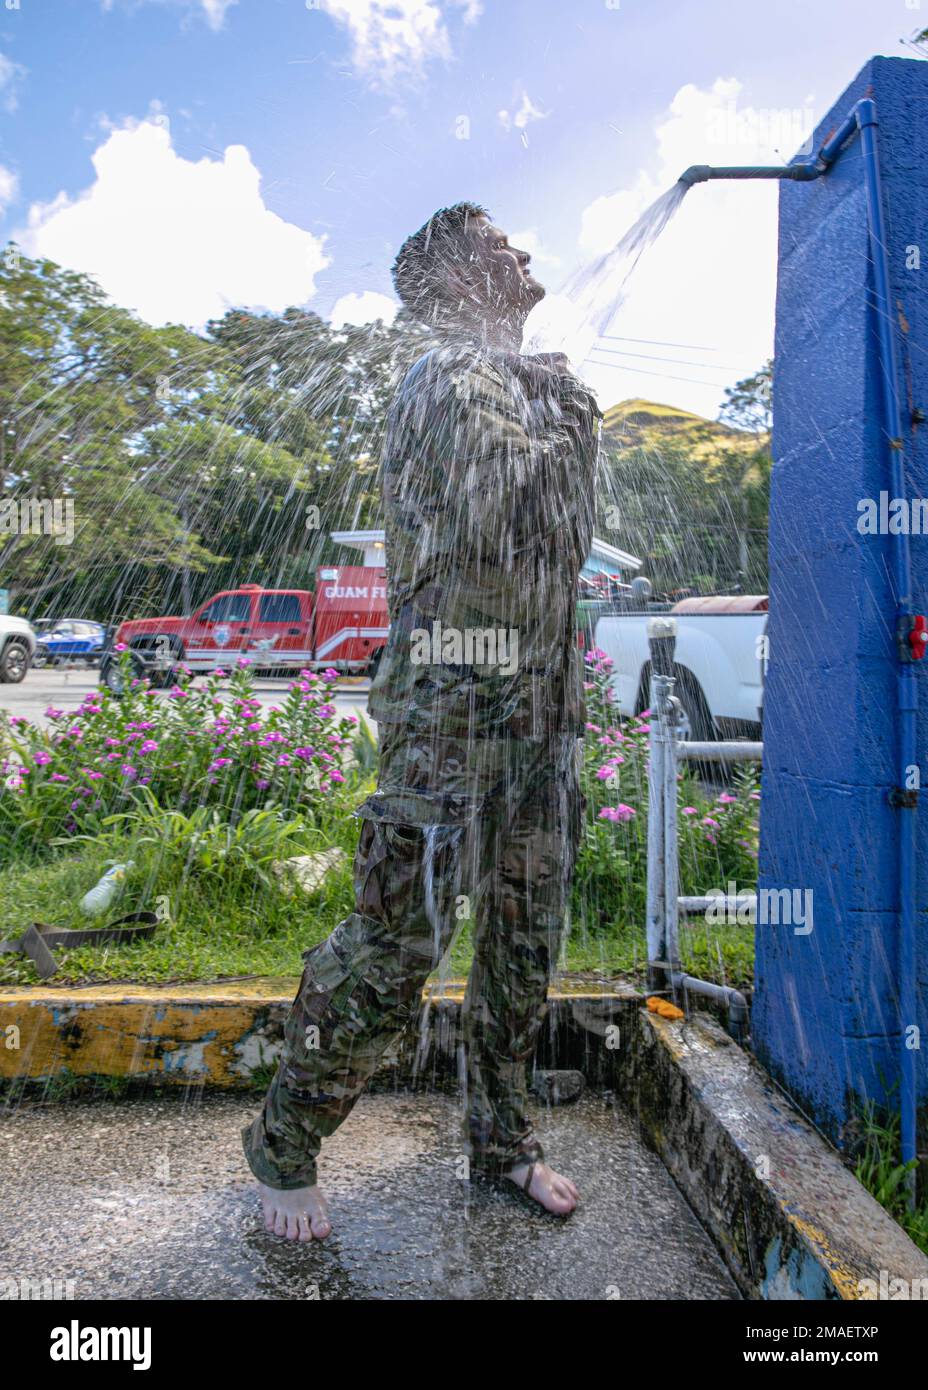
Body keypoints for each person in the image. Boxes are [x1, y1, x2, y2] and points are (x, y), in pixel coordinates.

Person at [242, 202, 602, 1241]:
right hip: (450, 717)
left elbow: (563, 539)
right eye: (502, 243)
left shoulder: (521, 384)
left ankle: (501, 1141)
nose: (526, 251)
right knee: (399, 944)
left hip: (537, 719)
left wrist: (558, 397)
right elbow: (520, 509)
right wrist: (571, 401)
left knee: (522, 946)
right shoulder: (448, 376)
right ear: (455, 280)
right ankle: (284, 1142)